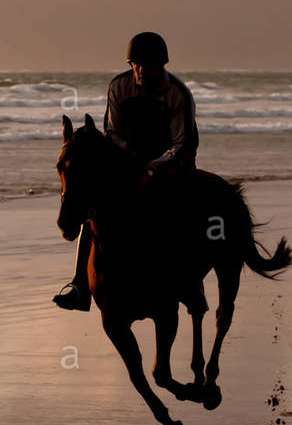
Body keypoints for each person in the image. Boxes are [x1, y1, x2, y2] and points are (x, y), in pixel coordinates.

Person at [53, 31, 199, 311]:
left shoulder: (178, 94)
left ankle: (189, 281)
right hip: (131, 159)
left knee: (180, 209)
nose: (141, 70)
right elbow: (113, 132)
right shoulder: (119, 86)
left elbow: (181, 143)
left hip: (173, 160)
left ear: (162, 65)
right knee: (93, 213)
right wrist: (131, 163)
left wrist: (153, 168)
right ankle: (80, 285)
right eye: (137, 64)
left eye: (149, 64)